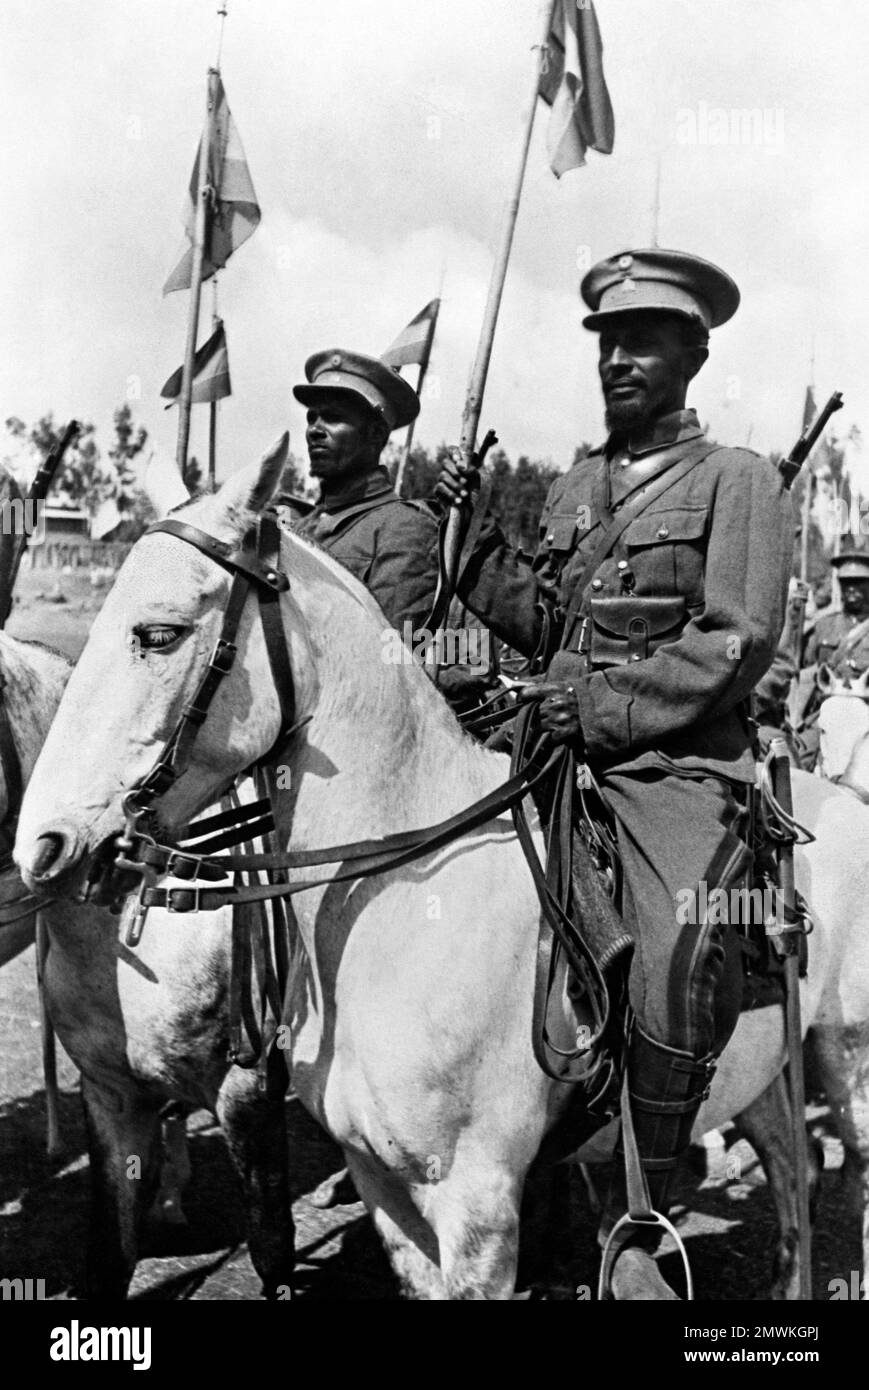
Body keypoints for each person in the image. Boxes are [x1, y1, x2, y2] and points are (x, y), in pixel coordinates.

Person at [436, 248, 793, 1299]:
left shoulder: (738, 480)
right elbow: (548, 618)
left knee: (677, 942)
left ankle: (642, 1206)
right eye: (606, 339)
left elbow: (734, 641)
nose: (619, 357)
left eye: (643, 338)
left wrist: (594, 705)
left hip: (673, 760)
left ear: (694, 351)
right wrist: (467, 549)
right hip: (546, 745)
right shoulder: (575, 484)